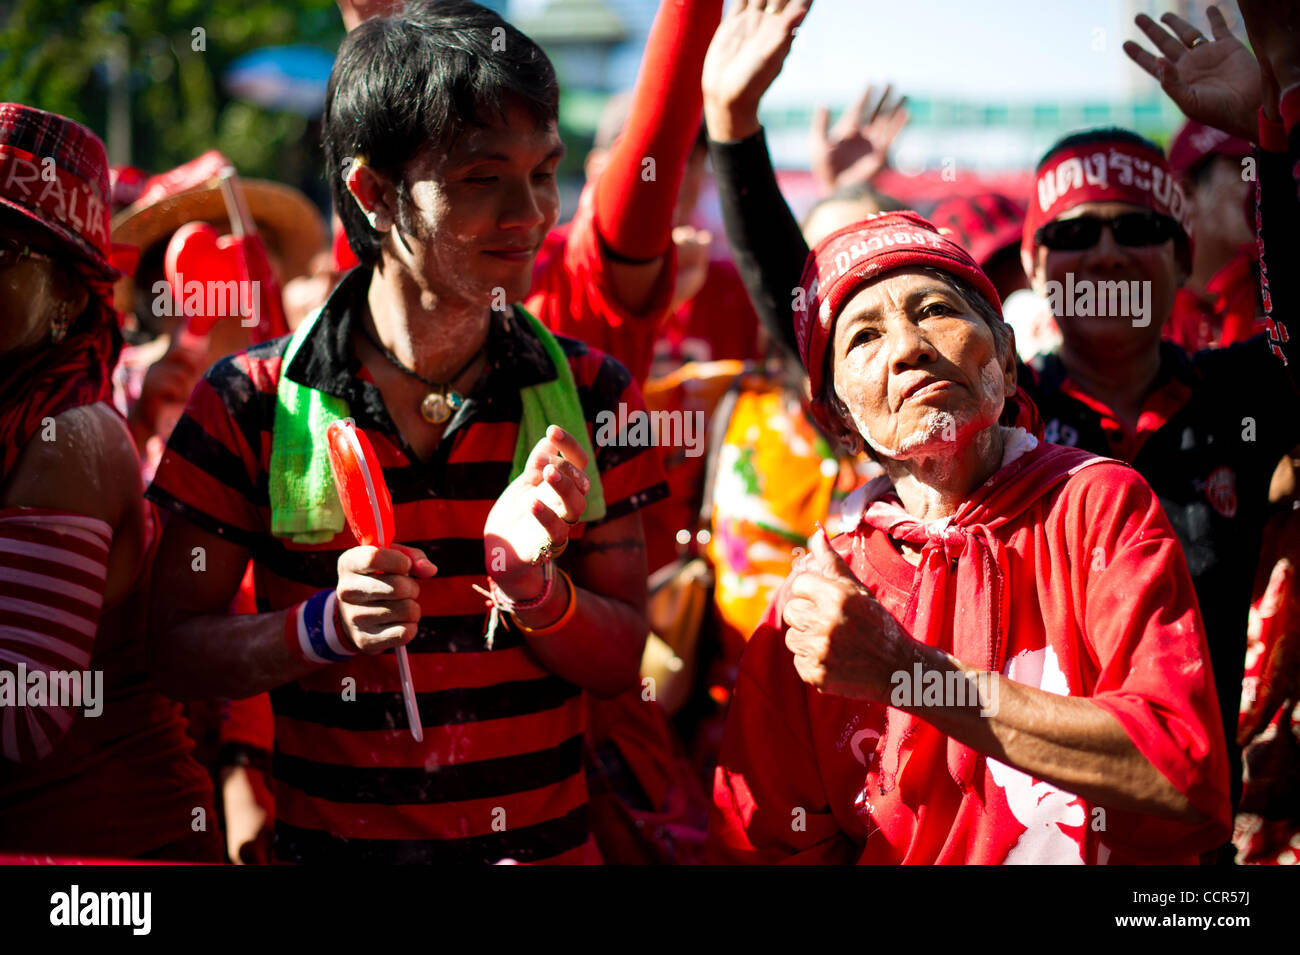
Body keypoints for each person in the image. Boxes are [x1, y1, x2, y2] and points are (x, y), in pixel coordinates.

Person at [704, 1, 1300, 849]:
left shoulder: (1123, 477)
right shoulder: (828, 589)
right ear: (1031, 268)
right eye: (1072, 231)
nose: (1103, 254)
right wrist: (730, 128)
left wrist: (1280, 125)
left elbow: (1179, 763)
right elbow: (815, 312)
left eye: (1135, 228)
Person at [145, 1, 668, 864]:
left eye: (544, 172)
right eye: (481, 178)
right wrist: (320, 627)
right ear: (373, 192)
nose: (530, 212)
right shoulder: (247, 400)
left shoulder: (591, 392)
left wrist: (534, 587)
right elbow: (173, 654)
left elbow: (619, 660)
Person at [709, 211, 1231, 864]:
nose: (909, 346)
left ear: (1007, 360)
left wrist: (909, 674)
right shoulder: (820, 600)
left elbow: (1185, 777)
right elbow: (765, 846)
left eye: (933, 309)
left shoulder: (1098, 503)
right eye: (864, 336)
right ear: (837, 421)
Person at [0, 104, 218, 861]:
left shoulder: (69, 437)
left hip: (107, 864)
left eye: (2, 253)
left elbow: (26, 715)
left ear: (68, 297)